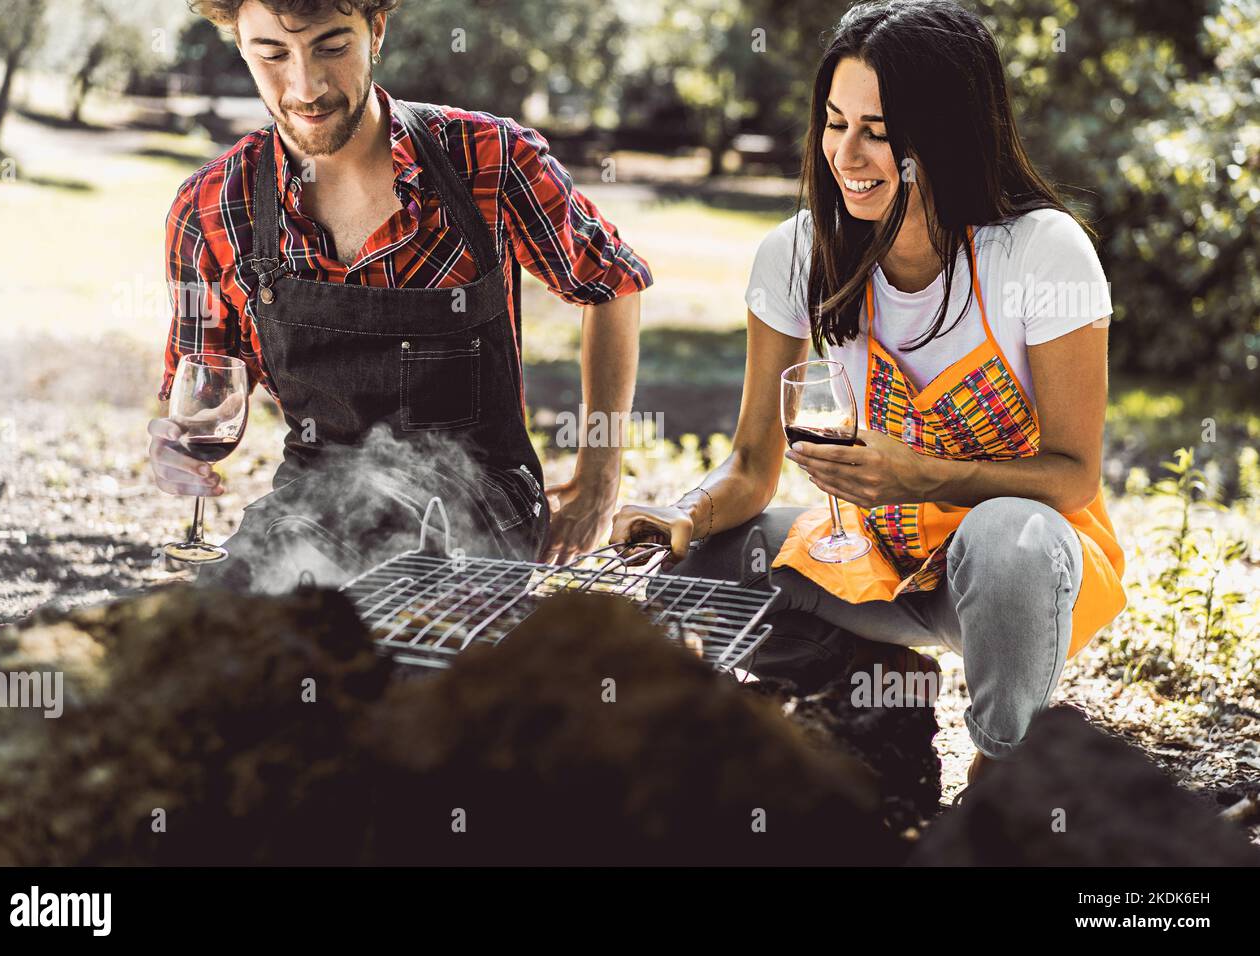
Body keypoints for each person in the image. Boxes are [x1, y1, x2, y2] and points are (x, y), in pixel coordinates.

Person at [611, 0, 1125, 785]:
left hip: (1021, 576)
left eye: (877, 131)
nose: (844, 153)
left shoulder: (1041, 253)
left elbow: (1072, 476)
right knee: (701, 571)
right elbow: (752, 462)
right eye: (833, 121)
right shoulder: (794, 255)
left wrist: (921, 474)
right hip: (884, 556)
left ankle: (998, 770)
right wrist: (688, 511)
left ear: (945, 135)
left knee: (1005, 538)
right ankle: (872, 680)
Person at [147, 0, 651, 589]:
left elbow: (612, 285)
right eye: (273, 54)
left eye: (332, 46)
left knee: (343, 598)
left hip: (482, 505)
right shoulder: (209, 206)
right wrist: (176, 447)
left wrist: (599, 479)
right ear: (239, 45)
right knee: (225, 618)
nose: (305, 87)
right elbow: (202, 382)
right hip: (308, 508)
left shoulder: (489, 158)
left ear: (376, 30)